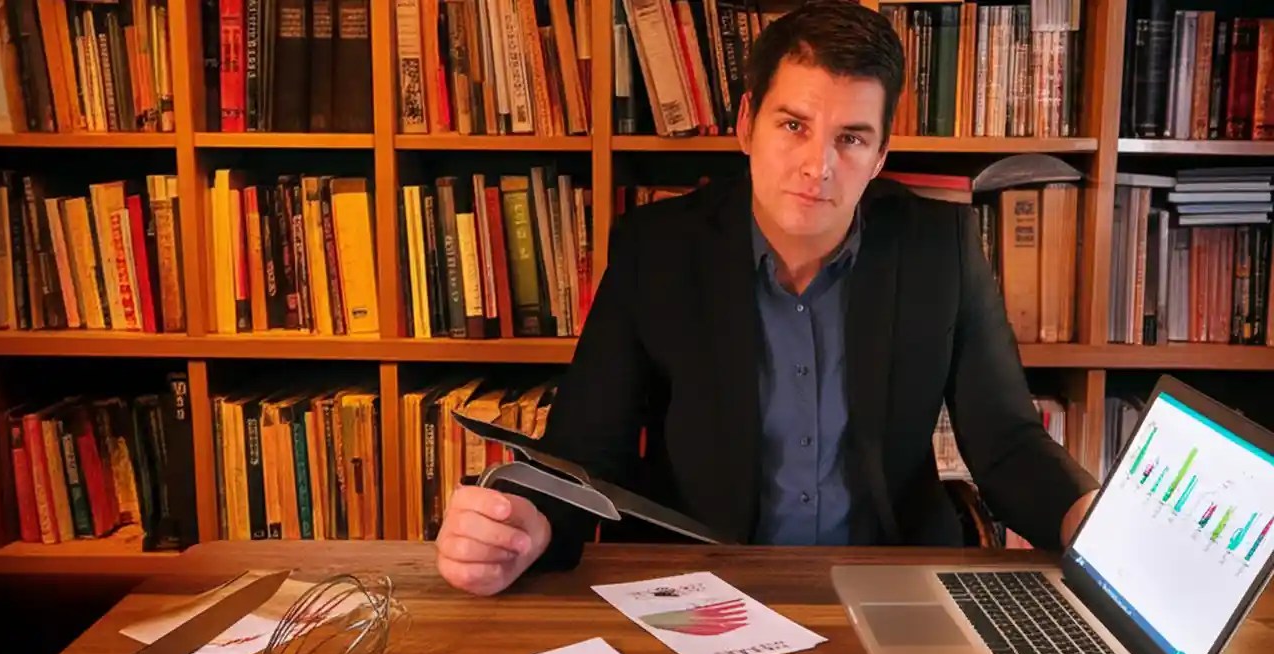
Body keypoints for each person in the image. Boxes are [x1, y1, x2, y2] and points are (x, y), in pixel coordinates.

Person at [435, 0, 1099, 596]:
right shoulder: (656, 250)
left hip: (890, 584)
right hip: (702, 586)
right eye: (793, 125)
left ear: (880, 154)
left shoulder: (940, 249)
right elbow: (586, 450)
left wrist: (1082, 514)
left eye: (851, 138)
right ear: (746, 124)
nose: (819, 165)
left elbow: (1007, 443)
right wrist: (529, 525)